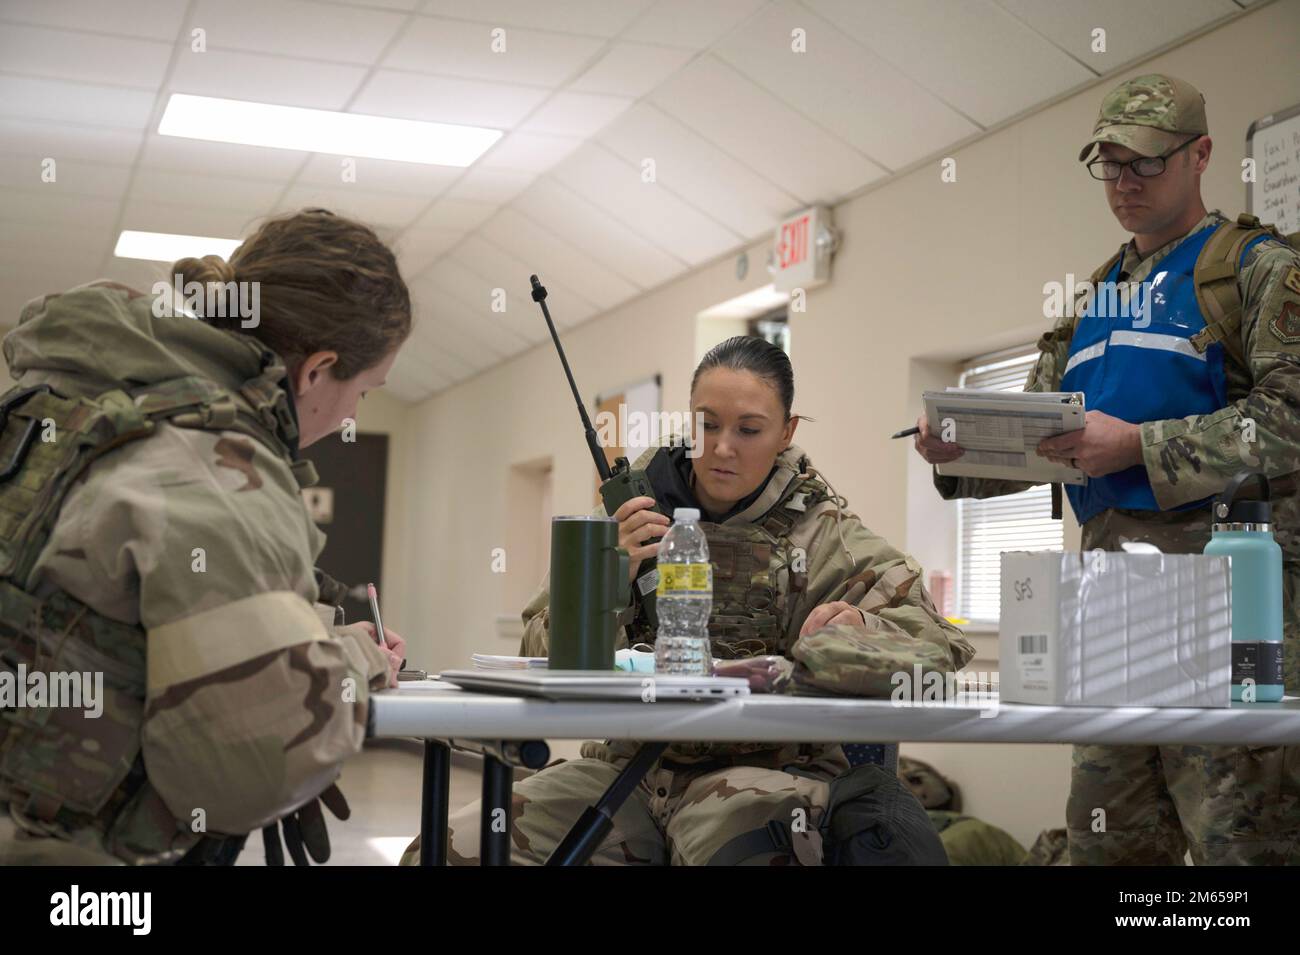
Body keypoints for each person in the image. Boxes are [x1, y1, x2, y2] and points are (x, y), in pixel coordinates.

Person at [914, 74, 1300, 865]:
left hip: (1234, 613)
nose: (1123, 182)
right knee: (1109, 847)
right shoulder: (1095, 301)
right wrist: (961, 454)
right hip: (1112, 612)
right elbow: (1041, 441)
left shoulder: (1258, 272)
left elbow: (1290, 420)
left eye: (1145, 163)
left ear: (1200, 156)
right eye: (1110, 163)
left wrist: (1138, 447)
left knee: (1243, 849)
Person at [403, 335, 974, 865]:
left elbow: (937, 646)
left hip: (758, 777)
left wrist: (852, 630)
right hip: (625, 773)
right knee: (446, 849)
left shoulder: (829, 540)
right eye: (707, 425)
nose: (722, 449)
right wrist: (608, 579)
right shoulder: (629, 519)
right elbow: (538, 650)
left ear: (786, 430)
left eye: (749, 430)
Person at [0, 208, 411, 865]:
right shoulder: (220, 463)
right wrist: (356, 661)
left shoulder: (62, 396)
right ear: (317, 370)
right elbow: (250, 766)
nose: (352, 415)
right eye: (363, 391)